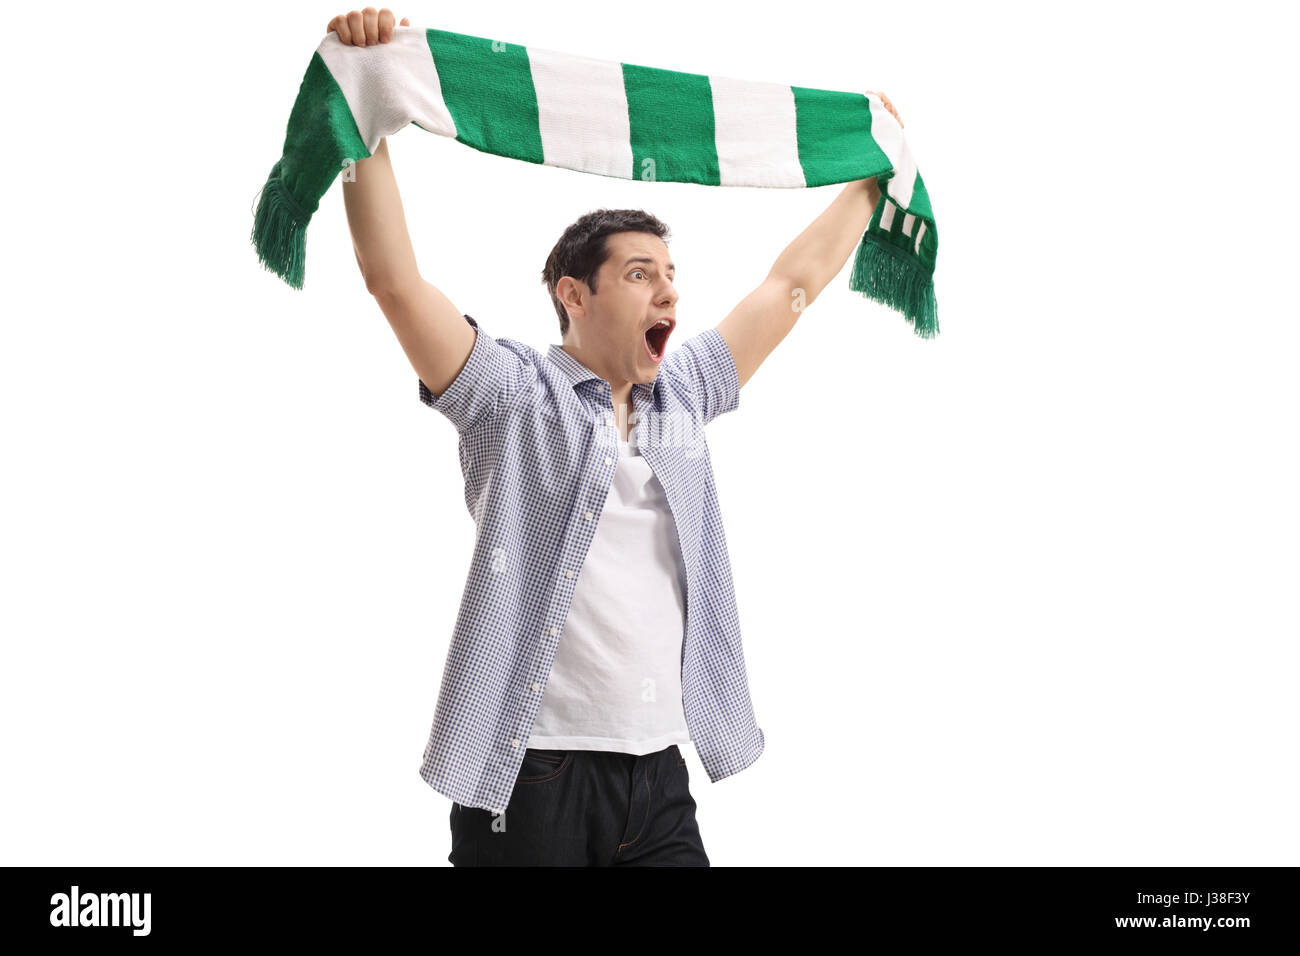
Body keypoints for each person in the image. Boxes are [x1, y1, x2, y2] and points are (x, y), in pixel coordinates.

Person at [328, 7, 904, 866]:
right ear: (574, 295)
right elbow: (395, 280)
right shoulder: (511, 395)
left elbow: (794, 281)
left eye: (672, 277)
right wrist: (362, 105)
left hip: (659, 778)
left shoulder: (687, 390)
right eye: (641, 276)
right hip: (532, 786)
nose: (669, 295)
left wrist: (875, 171)